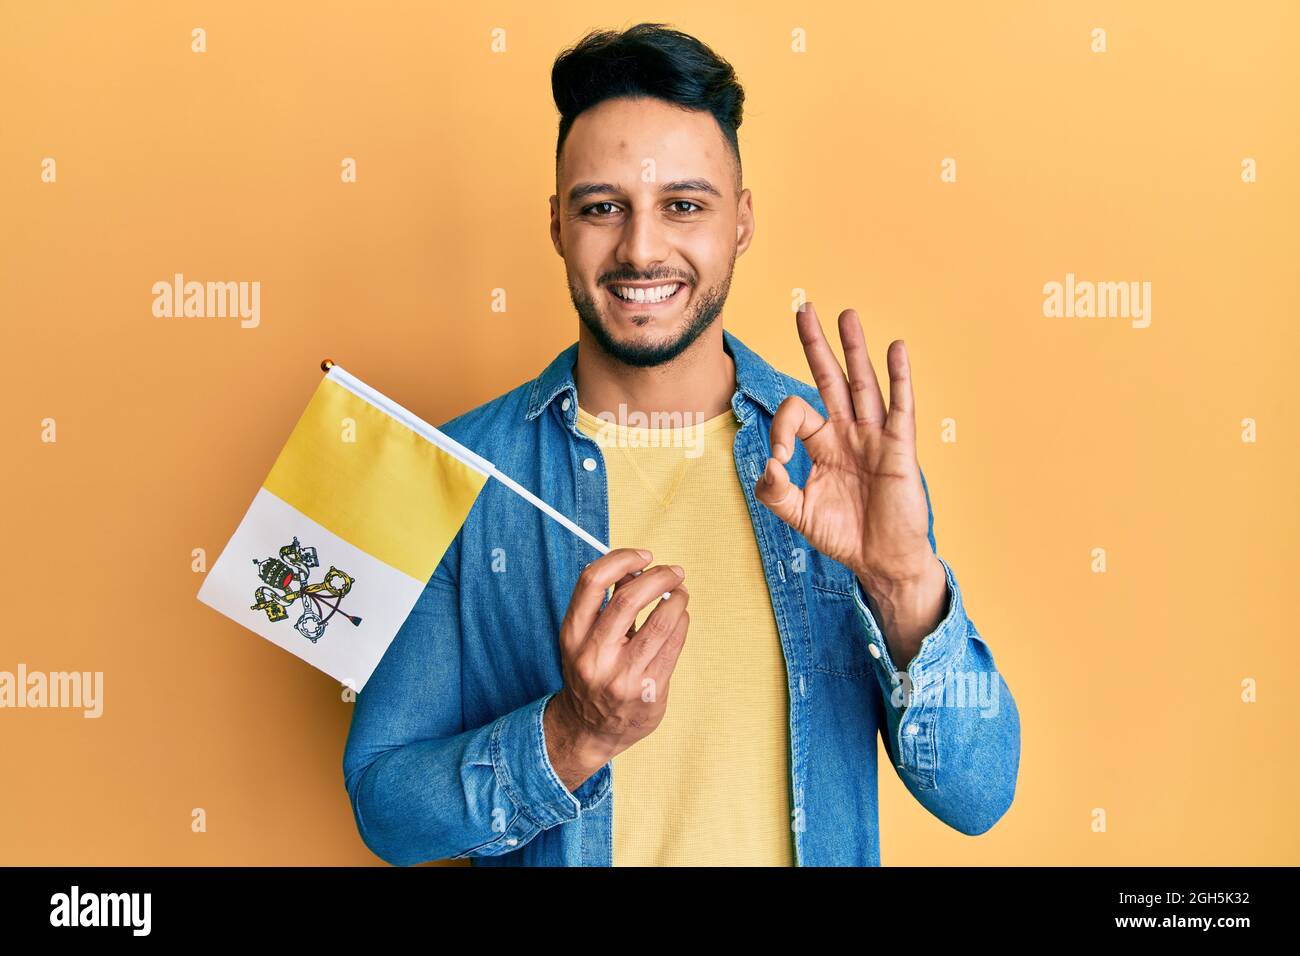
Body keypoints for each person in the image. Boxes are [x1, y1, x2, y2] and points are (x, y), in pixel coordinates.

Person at [342, 22, 1020, 867]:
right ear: (557, 224)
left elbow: (976, 793)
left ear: (740, 222)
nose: (641, 248)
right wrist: (572, 737)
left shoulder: (841, 460)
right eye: (602, 208)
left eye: (684, 206)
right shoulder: (451, 475)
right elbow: (385, 810)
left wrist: (905, 585)